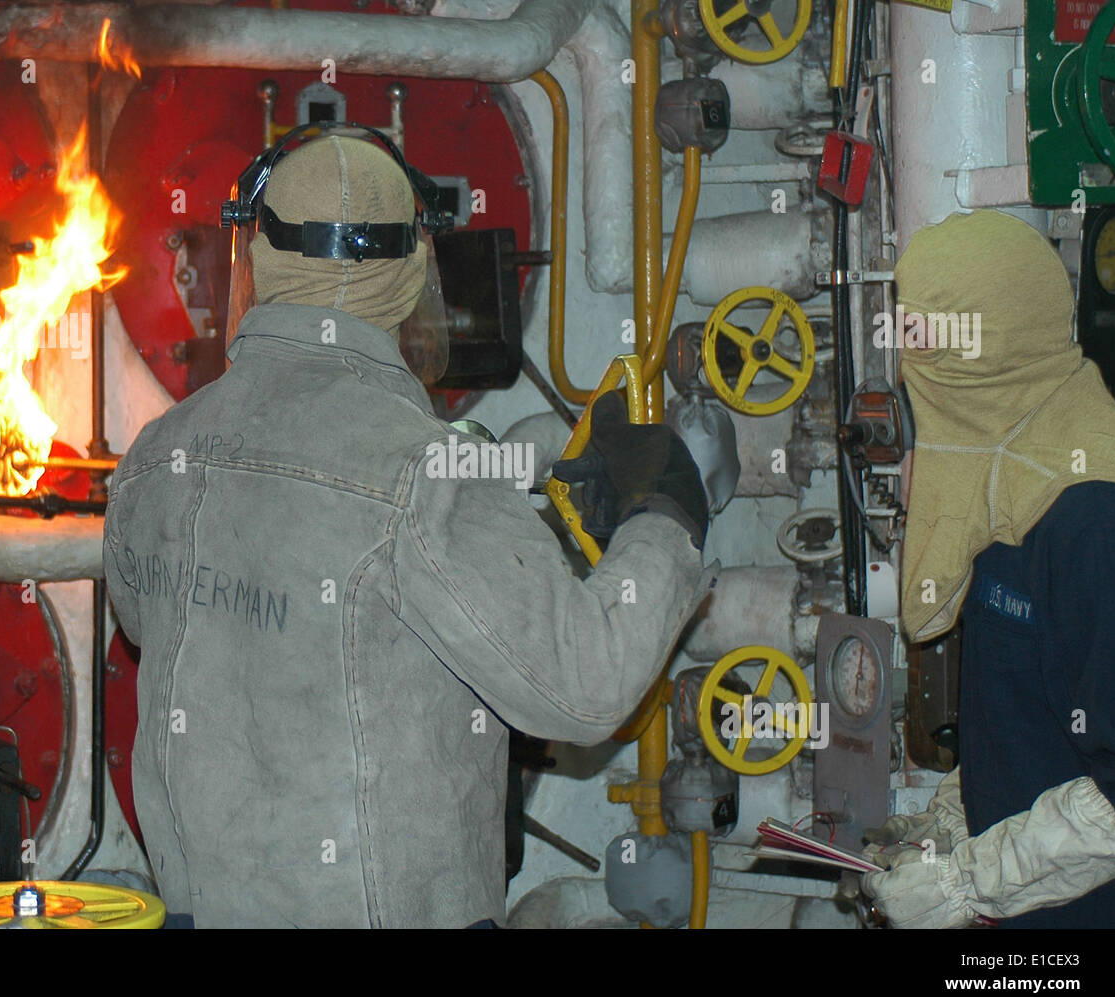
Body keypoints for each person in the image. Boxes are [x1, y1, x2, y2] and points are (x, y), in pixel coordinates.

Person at [102, 129, 715, 927]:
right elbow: (586, 688)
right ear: (412, 272)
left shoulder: (156, 457)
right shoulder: (429, 477)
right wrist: (664, 517)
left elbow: (149, 620)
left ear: (253, 253)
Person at [861, 210, 1115, 928]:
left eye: (921, 341)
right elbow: (1032, 720)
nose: (905, 365)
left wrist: (966, 885)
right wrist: (952, 817)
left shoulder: (1096, 517)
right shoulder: (1006, 464)